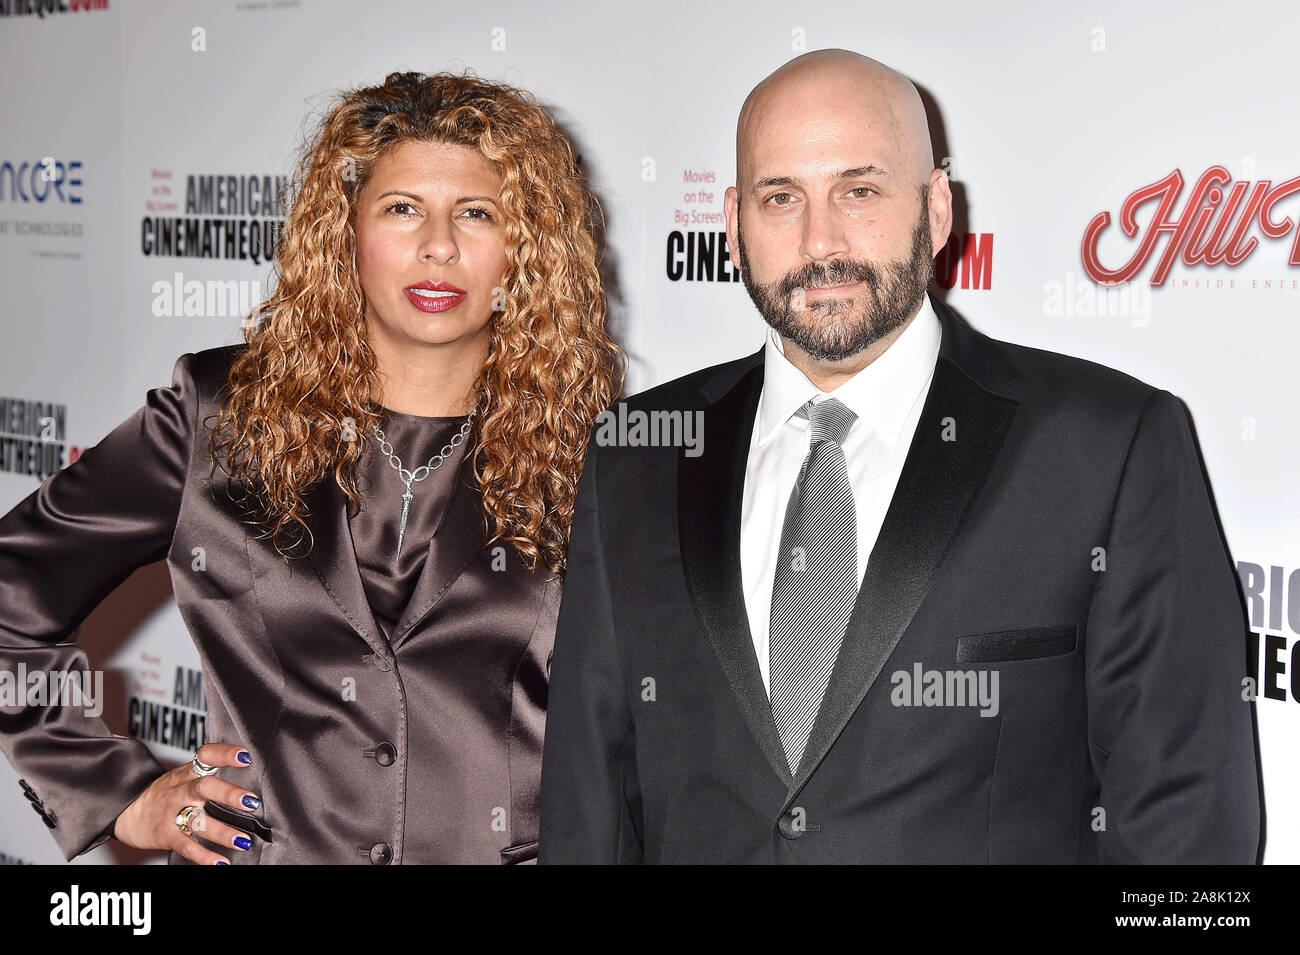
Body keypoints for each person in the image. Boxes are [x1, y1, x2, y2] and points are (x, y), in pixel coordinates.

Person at [538, 49, 1261, 863]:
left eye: (860, 189)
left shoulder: (1107, 445)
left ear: (938, 209)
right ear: (734, 224)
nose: (821, 240)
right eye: (782, 198)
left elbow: (1189, 830)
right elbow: (587, 806)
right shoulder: (638, 451)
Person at [0, 70, 623, 864]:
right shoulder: (217, 415)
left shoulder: (594, 452)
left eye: (476, 213)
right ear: (345, 233)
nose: (439, 245)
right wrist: (116, 793)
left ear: (525, 248)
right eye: (403, 209)